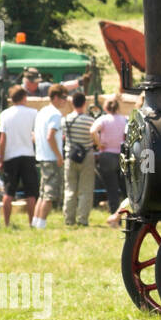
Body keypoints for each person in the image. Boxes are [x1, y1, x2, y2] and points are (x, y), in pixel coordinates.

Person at [0, 84, 39, 227]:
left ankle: (7, 223)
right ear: (24, 97)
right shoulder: (33, 113)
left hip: (10, 155)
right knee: (31, 193)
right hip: (27, 154)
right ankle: (31, 222)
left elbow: (3, 139)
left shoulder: (5, 115)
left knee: (8, 192)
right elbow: (36, 134)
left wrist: (1, 159)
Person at [31, 85, 68, 229]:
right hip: (51, 157)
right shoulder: (56, 114)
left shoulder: (41, 112)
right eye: (64, 97)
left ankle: (36, 222)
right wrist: (59, 156)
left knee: (42, 193)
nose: (66, 100)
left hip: (41, 155)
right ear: (56, 97)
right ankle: (41, 225)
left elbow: (35, 135)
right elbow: (50, 136)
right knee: (50, 194)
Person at [90, 96, 127, 226]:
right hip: (122, 155)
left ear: (105, 108)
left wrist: (99, 144)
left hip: (107, 156)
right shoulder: (124, 119)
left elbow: (93, 131)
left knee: (112, 190)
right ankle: (126, 216)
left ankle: (115, 220)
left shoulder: (103, 119)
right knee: (125, 189)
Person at [62, 91, 97, 227]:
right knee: (85, 189)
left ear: (72, 103)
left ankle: (69, 219)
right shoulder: (89, 120)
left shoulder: (65, 120)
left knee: (70, 188)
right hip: (86, 155)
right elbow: (93, 137)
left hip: (70, 155)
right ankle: (82, 219)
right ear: (84, 103)